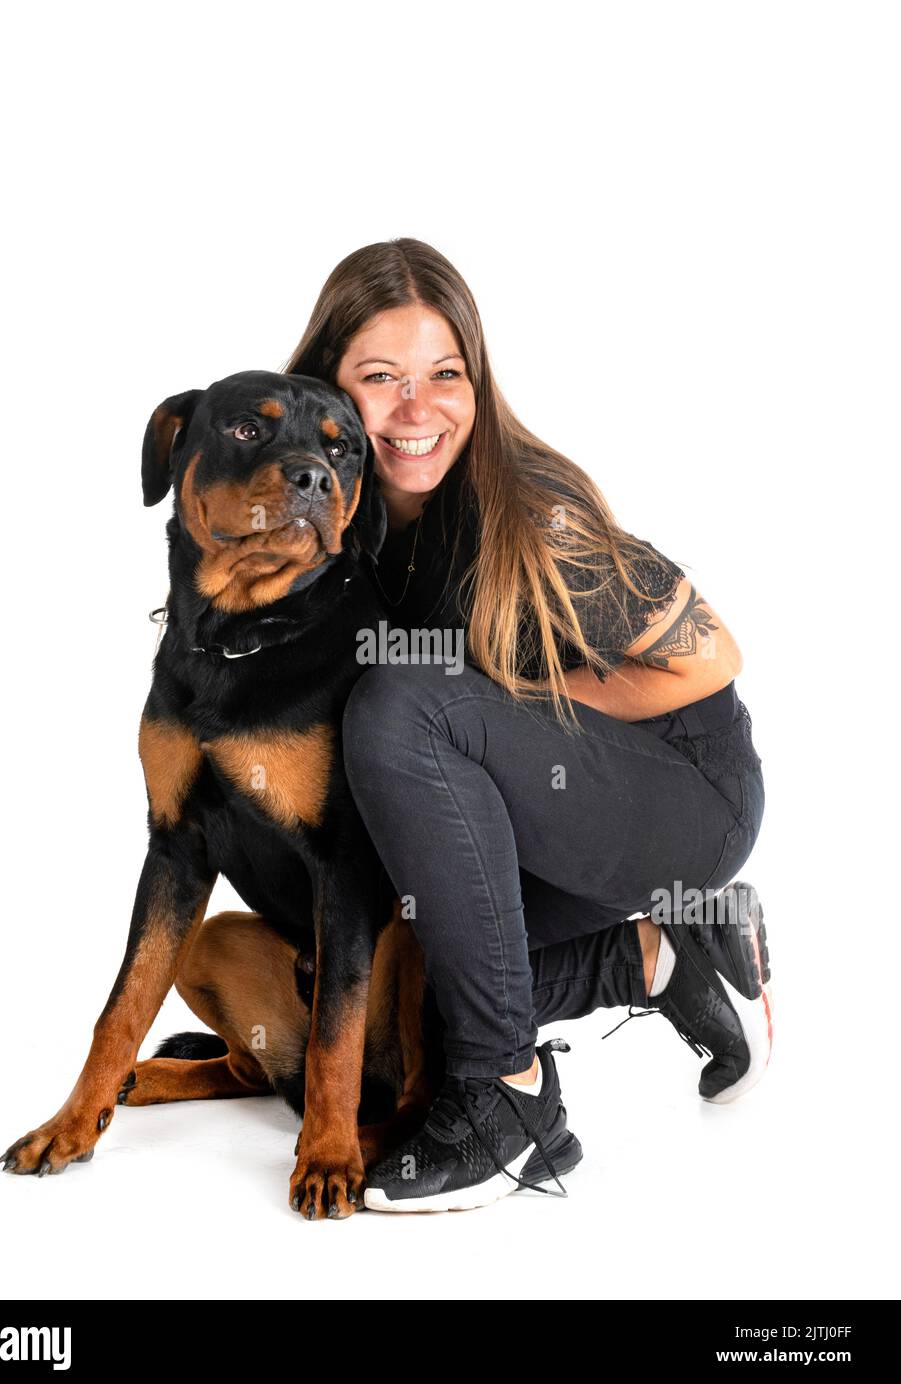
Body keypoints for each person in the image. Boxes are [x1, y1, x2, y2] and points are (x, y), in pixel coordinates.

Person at [282, 238, 770, 1214]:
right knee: (375, 1013)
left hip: (681, 789)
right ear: (324, 391)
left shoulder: (532, 511)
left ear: (476, 381)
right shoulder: (340, 515)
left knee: (404, 700)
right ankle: (651, 950)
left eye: (443, 375)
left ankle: (508, 1101)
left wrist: (504, 708)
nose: (417, 410)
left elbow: (710, 656)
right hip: (554, 815)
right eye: (381, 378)